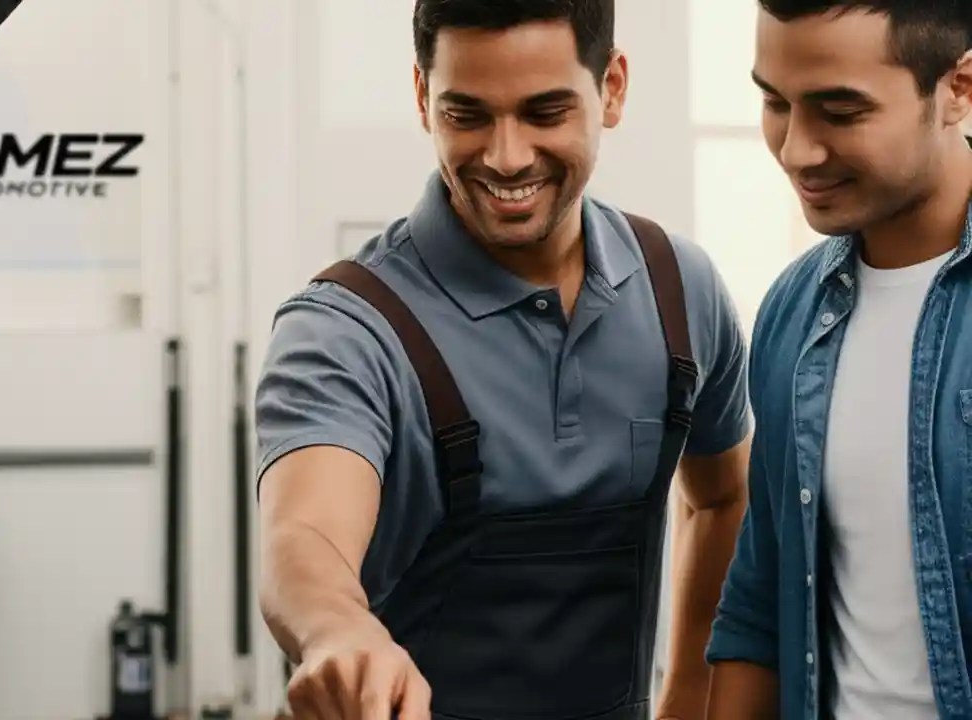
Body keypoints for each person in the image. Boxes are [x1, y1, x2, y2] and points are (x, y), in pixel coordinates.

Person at [254, 1, 753, 718]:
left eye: (544, 112)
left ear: (611, 88)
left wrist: (685, 701)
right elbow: (302, 537)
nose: (506, 156)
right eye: (468, 115)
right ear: (424, 97)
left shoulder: (682, 291)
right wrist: (337, 631)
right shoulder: (345, 331)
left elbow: (721, 498)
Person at [705, 2, 972, 719]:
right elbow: (761, 603)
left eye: (840, 112)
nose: (796, 149)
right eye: (774, 101)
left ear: (959, 88)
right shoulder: (792, 312)